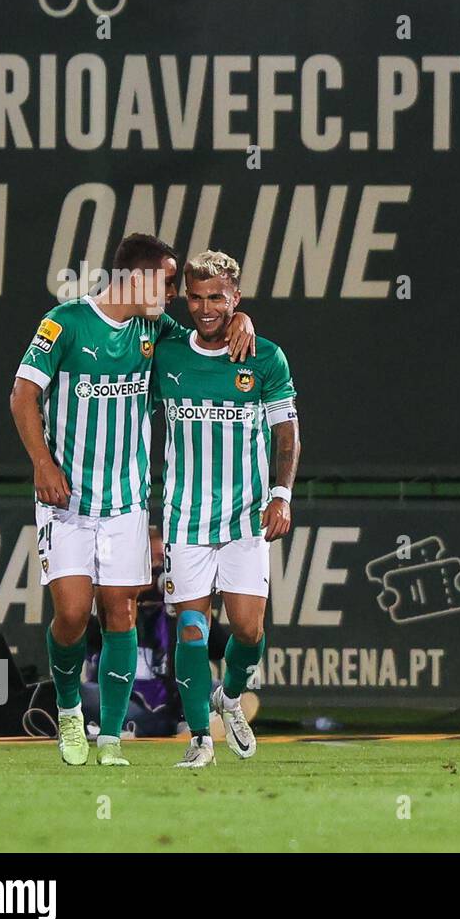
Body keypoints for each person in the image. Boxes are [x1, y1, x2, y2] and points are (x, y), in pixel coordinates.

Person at [10, 234, 255, 767]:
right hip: (66, 500)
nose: (174, 296)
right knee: (72, 615)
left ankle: (111, 739)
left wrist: (243, 321)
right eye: (168, 283)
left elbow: (205, 339)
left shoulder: (155, 328)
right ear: (136, 279)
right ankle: (71, 711)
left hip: (126, 503)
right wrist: (43, 465)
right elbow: (22, 394)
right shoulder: (66, 323)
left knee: (119, 610)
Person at [152, 250, 300, 769]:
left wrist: (281, 494)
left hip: (246, 518)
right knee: (191, 629)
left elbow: (286, 433)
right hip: (185, 518)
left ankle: (229, 698)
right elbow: (132, 306)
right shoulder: (166, 351)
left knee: (248, 632)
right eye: (195, 297)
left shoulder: (265, 358)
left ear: (236, 297)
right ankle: (199, 739)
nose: (205, 307)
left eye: (217, 297)